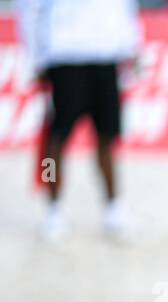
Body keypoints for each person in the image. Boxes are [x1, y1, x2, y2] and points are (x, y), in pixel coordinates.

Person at [17, 0, 142, 242]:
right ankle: (53, 211)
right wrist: (36, 58)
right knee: (57, 139)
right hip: (65, 55)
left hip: (106, 54)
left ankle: (113, 209)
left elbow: (125, 6)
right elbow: (29, 8)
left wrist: (132, 46)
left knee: (107, 137)